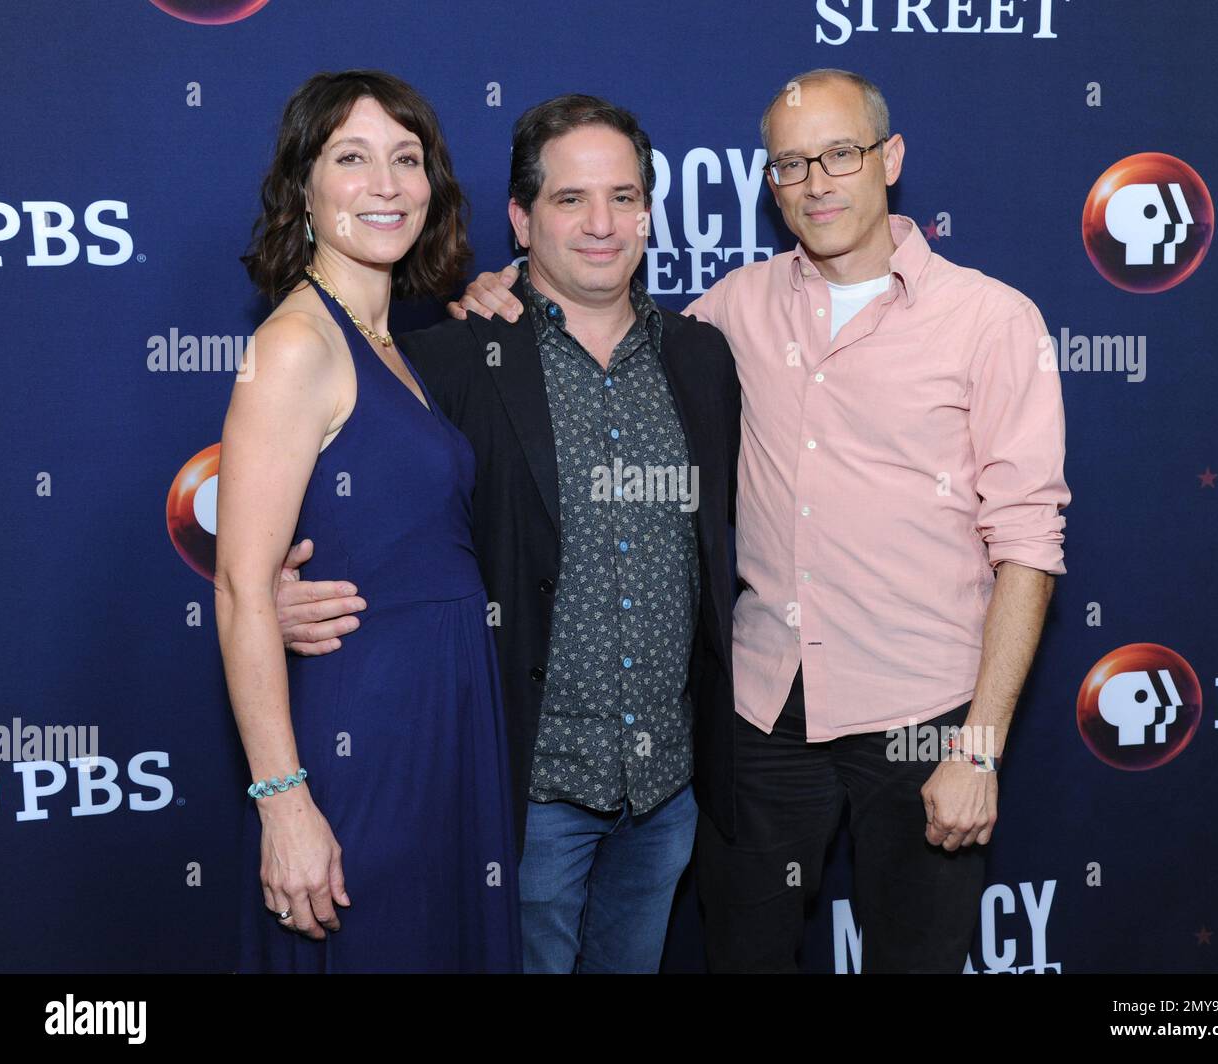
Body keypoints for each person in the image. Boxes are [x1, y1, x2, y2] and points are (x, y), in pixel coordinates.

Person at [448, 68, 1071, 973]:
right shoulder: (729, 313)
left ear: (889, 159)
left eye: (840, 154)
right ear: (769, 184)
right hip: (761, 716)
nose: (816, 182)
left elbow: (1028, 542)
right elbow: (590, 312)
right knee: (741, 953)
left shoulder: (991, 320)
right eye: (789, 165)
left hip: (924, 718)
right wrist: (495, 290)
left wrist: (978, 748)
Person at [273, 94, 741, 974]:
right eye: (570, 200)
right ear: (522, 219)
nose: (601, 224)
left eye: (624, 197)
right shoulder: (449, 358)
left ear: (649, 210)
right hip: (520, 790)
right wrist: (270, 597)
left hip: (668, 789)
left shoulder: (703, 357)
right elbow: (372, 516)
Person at [215, 69, 520, 973]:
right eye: (353, 158)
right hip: (366, 733)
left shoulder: (395, 344)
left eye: (407, 158)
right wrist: (284, 802)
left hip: (444, 722)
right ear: (303, 187)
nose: (387, 184)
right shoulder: (296, 344)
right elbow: (240, 590)